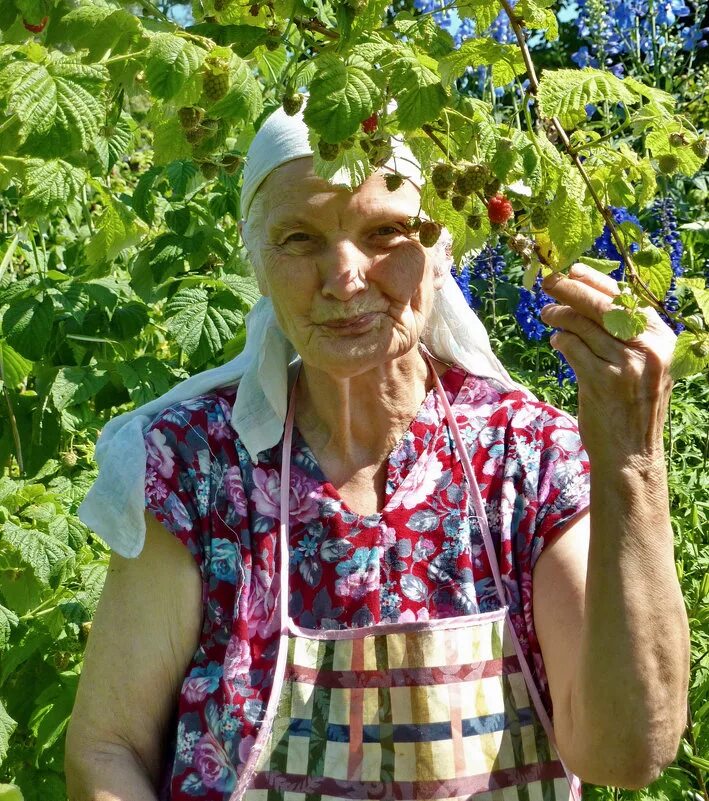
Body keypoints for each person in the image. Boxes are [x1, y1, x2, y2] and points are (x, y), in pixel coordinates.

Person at [65, 104, 690, 801]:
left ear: (439, 247)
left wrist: (630, 462)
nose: (344, 276)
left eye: (385, 231)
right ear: (258, 262)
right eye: (299, 238)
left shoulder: (526, 457)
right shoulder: (197, 466)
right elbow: (108, 747)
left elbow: (626, 750)